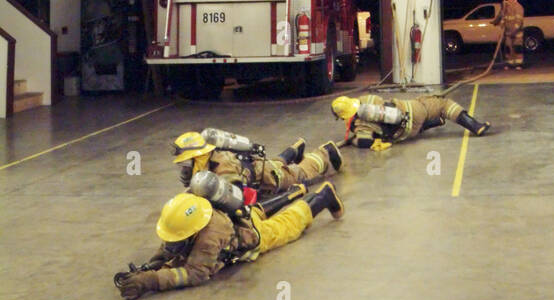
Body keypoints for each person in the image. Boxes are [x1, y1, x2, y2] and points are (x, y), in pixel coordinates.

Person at [114, 179, 343, 300]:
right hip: (240, 217)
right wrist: (154, 263)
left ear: (195, 231)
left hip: (252, 236)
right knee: (257, 211)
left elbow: (195, 273)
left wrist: (151, 281)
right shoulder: (193, 210)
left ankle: (323, 196)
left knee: (290, 223)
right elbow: (171, 243)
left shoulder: (209, 237)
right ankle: (296, 191)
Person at [172, 128, 341, 200]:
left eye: (187, 162)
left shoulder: (224, 167)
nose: (184, 169)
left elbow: (235, 198)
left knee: (301, 172)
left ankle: (325, 151)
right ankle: (295, 149)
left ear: (199, 156)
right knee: (274, 163)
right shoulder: (208, 160)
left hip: (269, 176)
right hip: (258, 167)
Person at [331, 93, 490, 150]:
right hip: (412, 110)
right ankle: (475, 126)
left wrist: (352, 140)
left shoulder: (359, 127)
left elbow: (364, 142)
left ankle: (435, 121)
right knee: (443, 104)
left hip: (406, 133)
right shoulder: (366, 99)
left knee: (416, 125)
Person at [494, 0, 525, 70]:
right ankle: (509, 63)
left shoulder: (518, 7)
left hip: (517, 33)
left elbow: (519, 20)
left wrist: (514, 30)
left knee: (517, 48)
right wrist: (496, 22)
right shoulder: (505, 7)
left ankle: (518, 64)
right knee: (508, 48)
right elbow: (501, 16)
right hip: (508, 32)